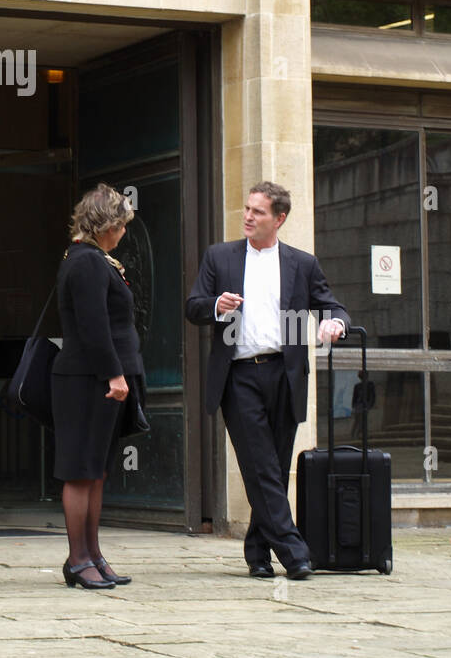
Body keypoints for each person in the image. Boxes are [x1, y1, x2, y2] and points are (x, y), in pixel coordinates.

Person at [185, 181, 349, 580]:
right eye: (246, 208)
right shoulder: (219, 256)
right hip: (238, 375)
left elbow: (331, 306)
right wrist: (216, 305)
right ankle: (295, 552)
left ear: (279, 219)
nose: (247, 216)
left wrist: (334, 324)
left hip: (285, 375)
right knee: (259, 464)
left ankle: (258, 552)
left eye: (257, 212)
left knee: (272, 468)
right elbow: (193, 307)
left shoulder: (302, 263)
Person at [53, 184, 146, 590]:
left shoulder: (93, 259)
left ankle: (93, 555)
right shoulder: (87, 262)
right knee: (80, 471)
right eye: (122, 225)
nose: (124, 232)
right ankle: (78, 560)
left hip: (98, 379)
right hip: (87, 380)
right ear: (107, 226)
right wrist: (114, 374)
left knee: (96, 472)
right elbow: (94, 327)